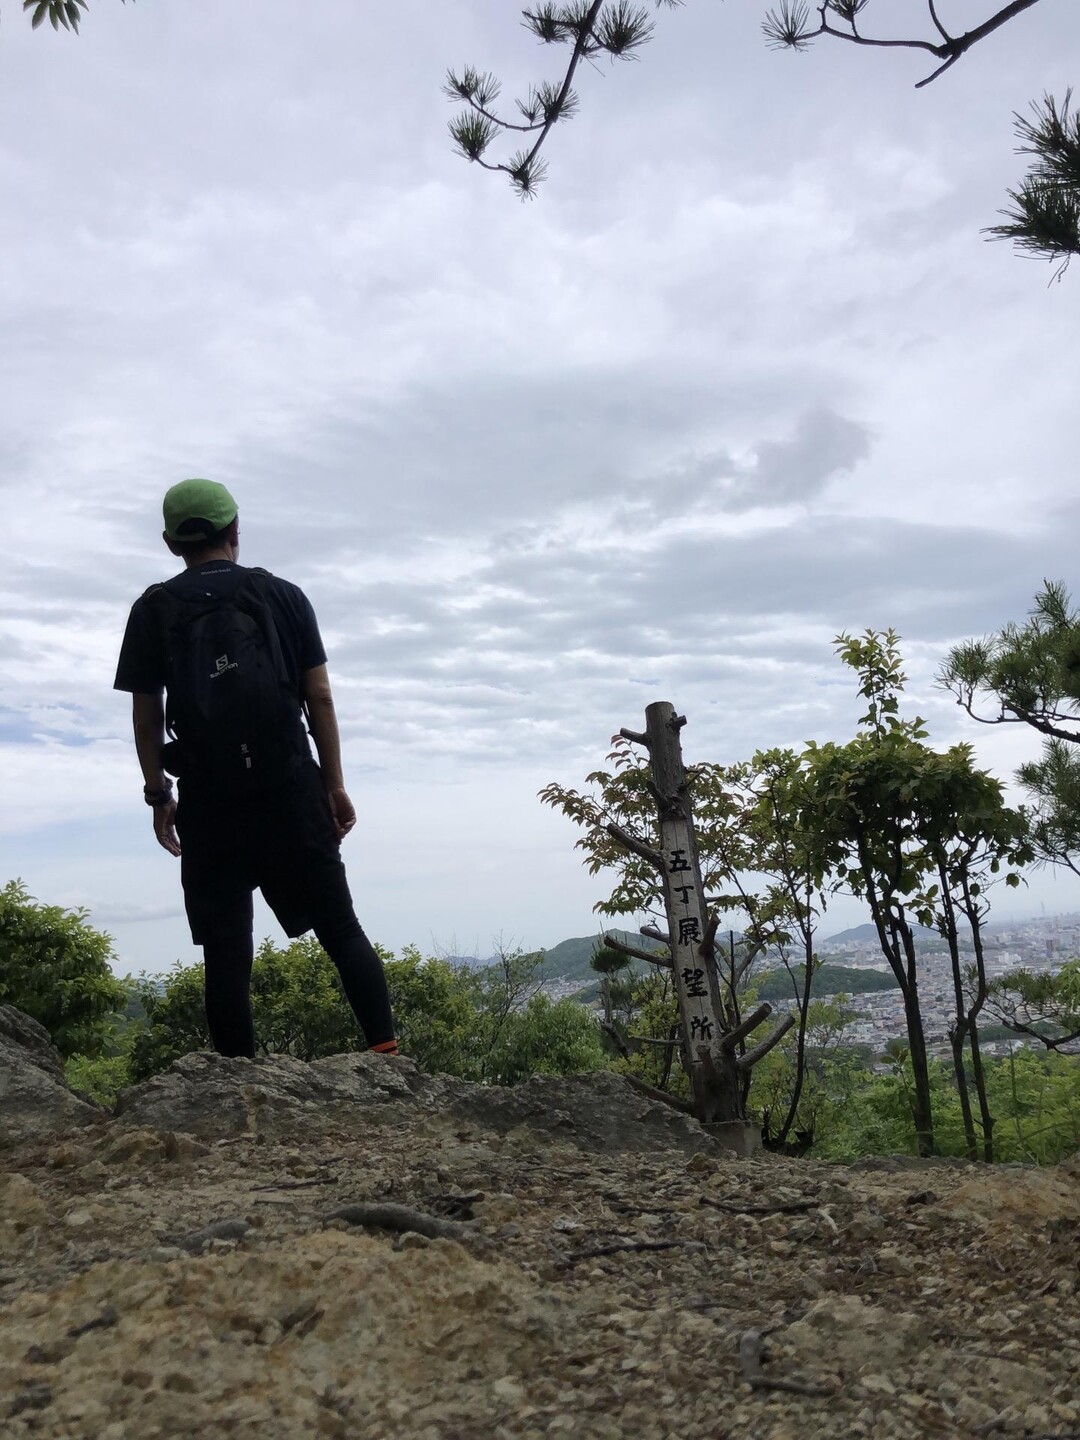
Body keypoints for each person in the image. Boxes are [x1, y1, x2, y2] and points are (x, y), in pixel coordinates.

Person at [114, 478, 397, 1059]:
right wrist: (333, 785)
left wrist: (158, 795)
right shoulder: (284, 596)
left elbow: (147, 717)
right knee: (341, 929)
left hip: (209, 800)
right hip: (290, 786)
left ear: (171, 542)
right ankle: (388, 1056)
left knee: (225, 950)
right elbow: (319, 699)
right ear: (235, 530)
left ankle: (239, 1087)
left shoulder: (153, 610)